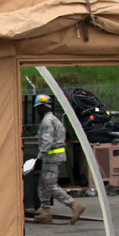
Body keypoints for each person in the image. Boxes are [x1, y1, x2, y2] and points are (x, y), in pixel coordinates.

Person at [28, 95, 85, 225]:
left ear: (43, 107)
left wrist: (39, 156)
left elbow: (48, 140)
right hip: (54, 156)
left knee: (50, 184)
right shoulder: (54, 119)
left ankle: (74, 205)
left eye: (38, 108)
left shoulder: (47, 121)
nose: (37, 110)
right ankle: (46, 212)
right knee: (43, 184)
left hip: (51, 157)